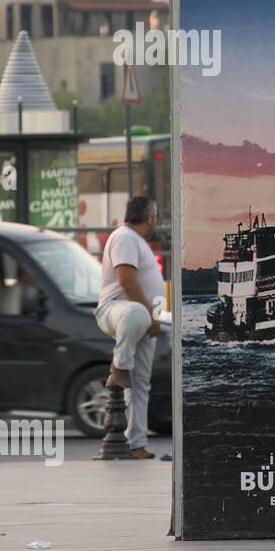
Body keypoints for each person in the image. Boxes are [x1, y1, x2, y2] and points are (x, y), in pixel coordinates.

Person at [95, 196, 164, 459]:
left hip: (144, 322)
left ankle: (136, 443)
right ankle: (120, 365)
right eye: (155, 216)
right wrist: (149, 314)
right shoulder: (124, 237)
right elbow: (126, 281)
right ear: (149, 218)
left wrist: (152, 319)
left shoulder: (138, 242)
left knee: (141, 383)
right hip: (119, 311)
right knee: (135, 311)